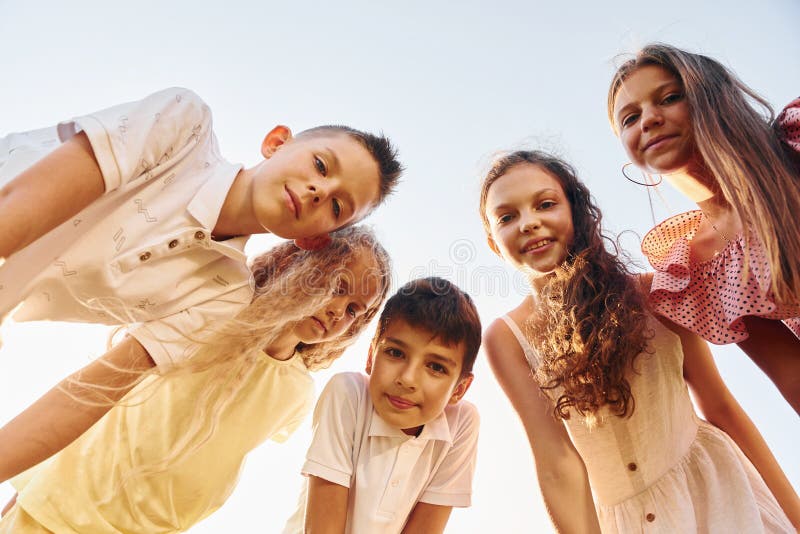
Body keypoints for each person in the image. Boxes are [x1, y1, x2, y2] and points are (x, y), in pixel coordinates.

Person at [0, 87, 402, 481]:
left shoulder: (222, 296)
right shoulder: (182, 126)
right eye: (320, 165)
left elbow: (88, 394)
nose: (320, 190)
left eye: (337, 206)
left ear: (315, 238)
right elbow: (15, 211)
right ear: (277, 142)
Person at [480, 150, 798, 532]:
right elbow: (556, 463)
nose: (529, 223)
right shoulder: (507, 337)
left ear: (575, 211)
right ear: (493, 242)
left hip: (720, 495)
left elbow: (719, 405)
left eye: (545, 204)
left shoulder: (654, 292)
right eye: (507, 217)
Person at [0, 225, 391, 534]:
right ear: (296, 262)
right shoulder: (213, 314)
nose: (341, 312)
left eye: (357, 310)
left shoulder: (297, 391)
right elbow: (101, 400)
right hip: (63, 505)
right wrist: (26, 489)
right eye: (338, 287)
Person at [607, 44, 800, 412]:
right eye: (630, 118)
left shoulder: (793, 148)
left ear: (711, 97)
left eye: (669, 98)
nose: (648, 119)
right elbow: (793, 375)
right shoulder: (701, 265)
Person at [283, 277, 481, 534]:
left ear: (459, 389)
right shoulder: (348, 393)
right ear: (371, 356)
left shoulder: (461, 424)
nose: (408, 379)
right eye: (396, 353)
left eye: (435, 367)